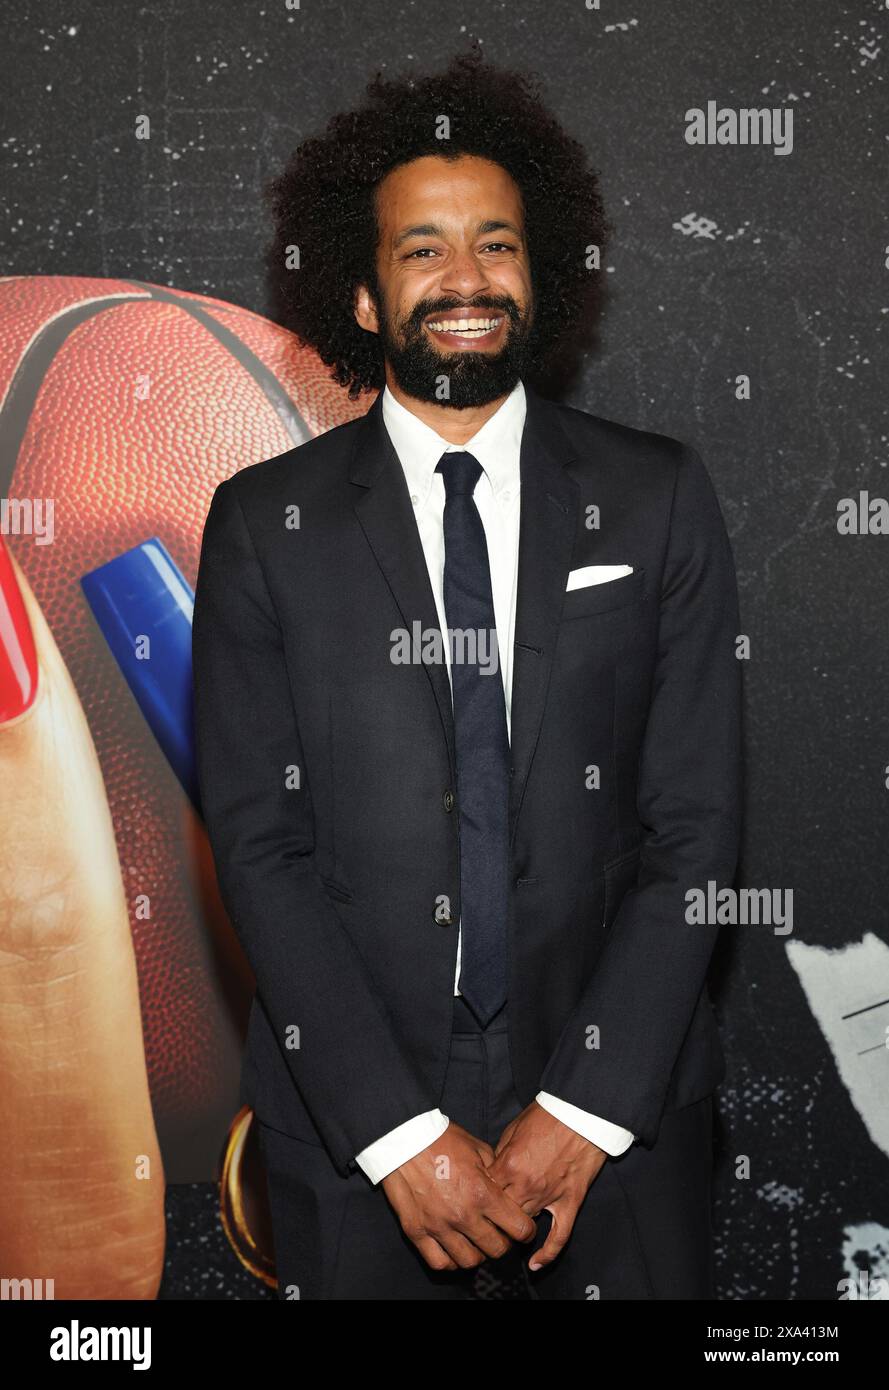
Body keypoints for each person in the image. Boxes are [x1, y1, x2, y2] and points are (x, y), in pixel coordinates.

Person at [191, 48, 742, 1301]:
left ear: (537, 277)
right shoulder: (263, 523)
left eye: (495, 244)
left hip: (620, 1127)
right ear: (368, 298)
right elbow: (256, 846)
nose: (465, 278)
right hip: (353, 1137)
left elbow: (698, 832)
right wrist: (397, 1134)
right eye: (422, 249)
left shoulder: (653, 497)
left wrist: (585, 1108)